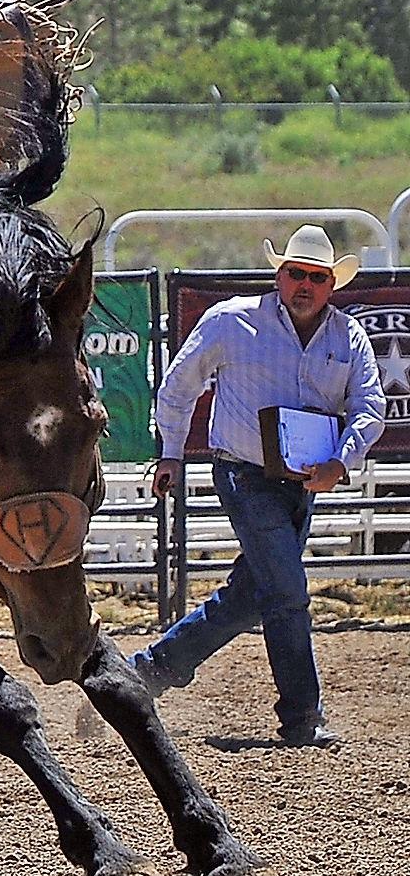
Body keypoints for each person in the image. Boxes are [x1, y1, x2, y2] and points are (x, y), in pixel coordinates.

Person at [129, 224, 387, 747]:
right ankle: (302, 716)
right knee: (288, 592)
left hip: (305, 480)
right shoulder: (230, 321)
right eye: (296, 274)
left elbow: (370, 407)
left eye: (316, 277)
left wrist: (341, 460)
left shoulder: (348, 337)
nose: (305, 286)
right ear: (279, 275)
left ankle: (147, 672)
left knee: (253, 595)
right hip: (243, 472)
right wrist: (171, 453)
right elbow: (179, 388)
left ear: (330, 284)